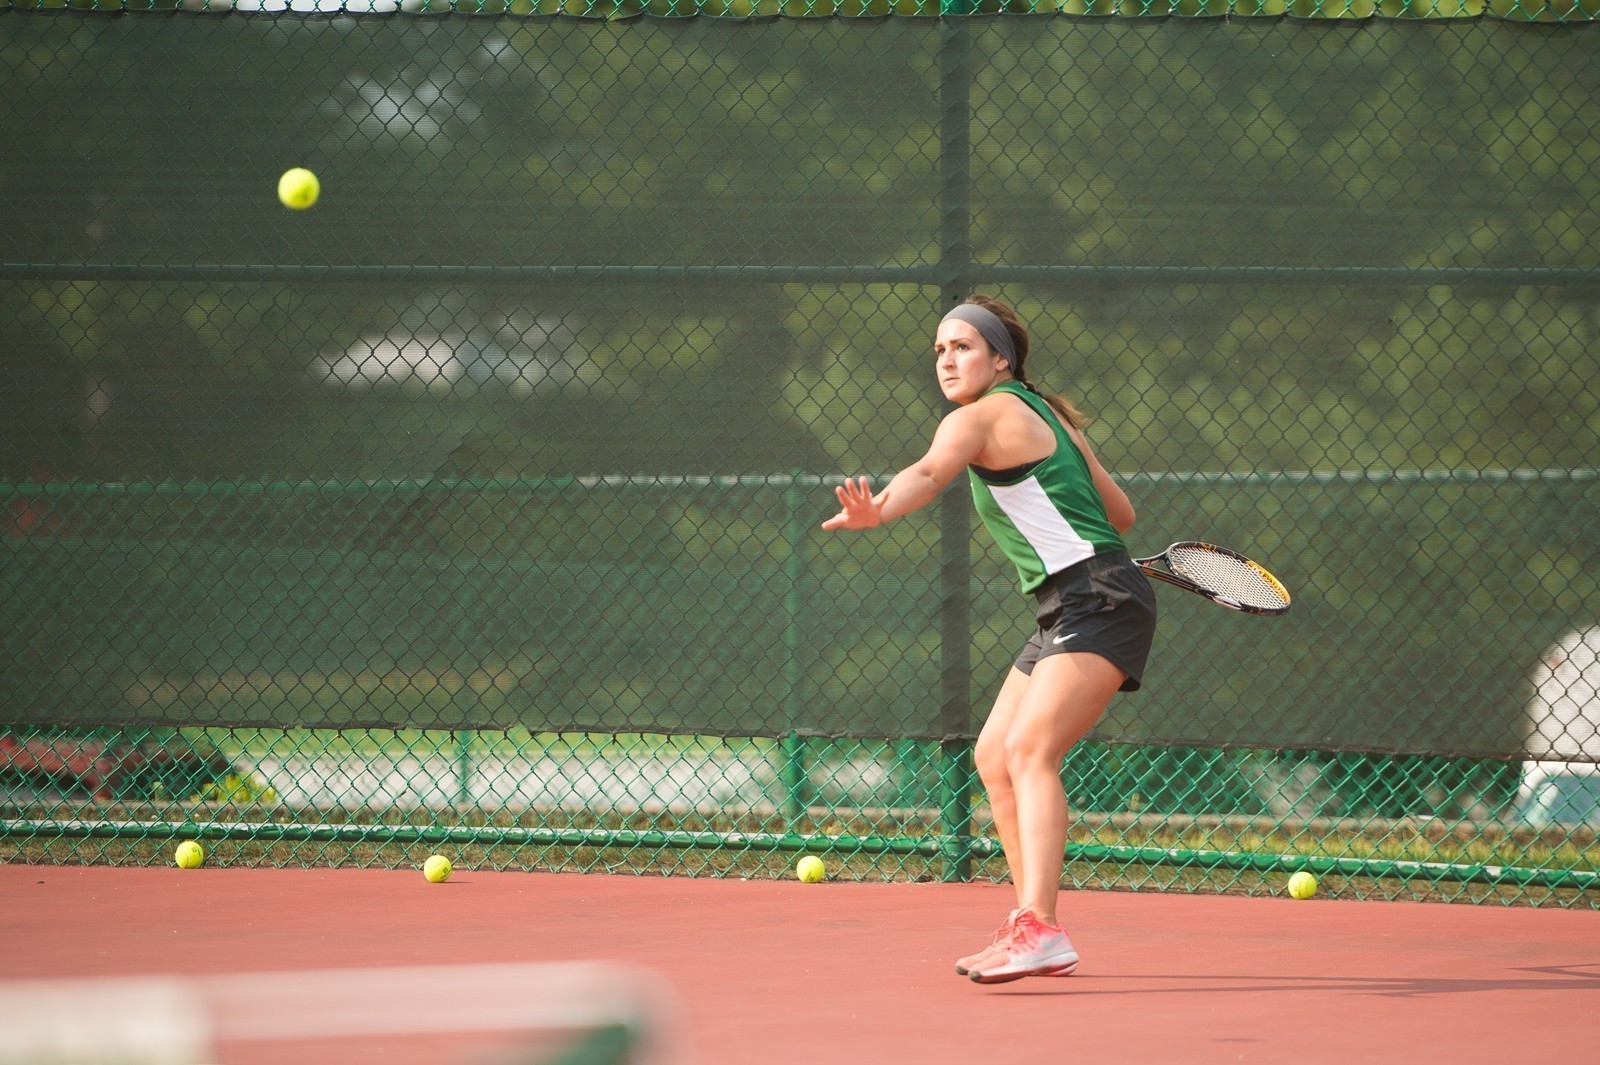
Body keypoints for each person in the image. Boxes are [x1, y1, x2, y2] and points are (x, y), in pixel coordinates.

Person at [821, 294, 1157, 984]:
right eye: (939, 350)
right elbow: (1120, 512)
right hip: (1074, 598)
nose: (946, 360)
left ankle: (1042, 929)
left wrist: (878, 510)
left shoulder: (979, 416)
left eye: (962, 346)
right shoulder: (1050, 416)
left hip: (1096, 597)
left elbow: (928, 472)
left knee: (1030, 749)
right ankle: (1029, 922)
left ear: (1000, 358)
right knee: (993, 757)